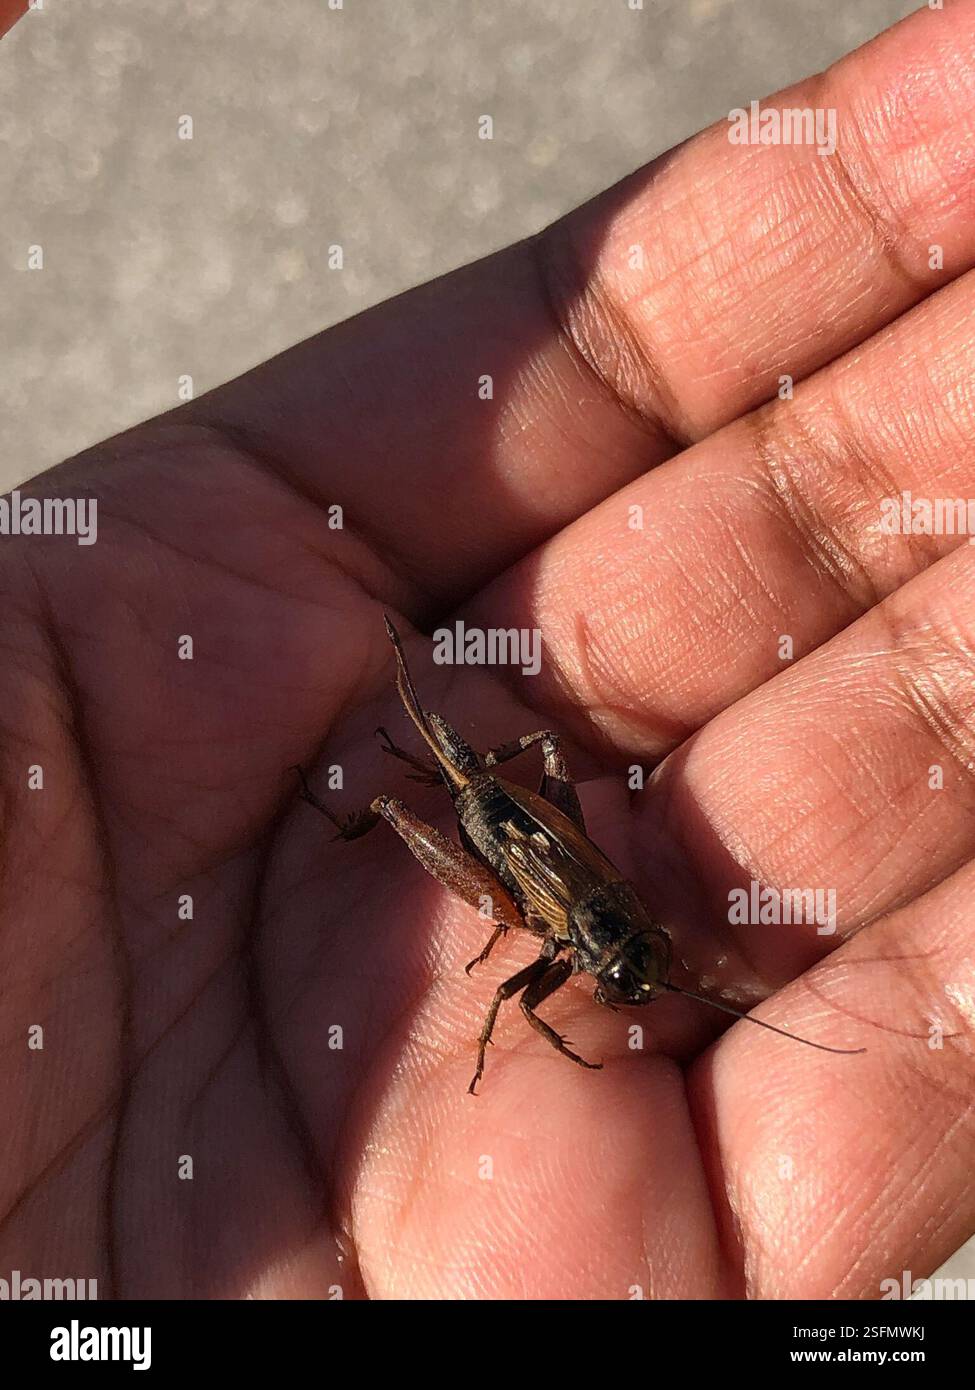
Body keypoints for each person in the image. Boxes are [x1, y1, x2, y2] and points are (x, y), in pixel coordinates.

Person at [2, 2, 974, 1299]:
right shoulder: (570, 935)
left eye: (629, 966)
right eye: (625, 964)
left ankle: (414, 784)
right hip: (500, 834)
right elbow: (556, 927)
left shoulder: (615, 931)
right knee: (459, 846)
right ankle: (389, 806)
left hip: (521, 828)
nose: (629, 975)